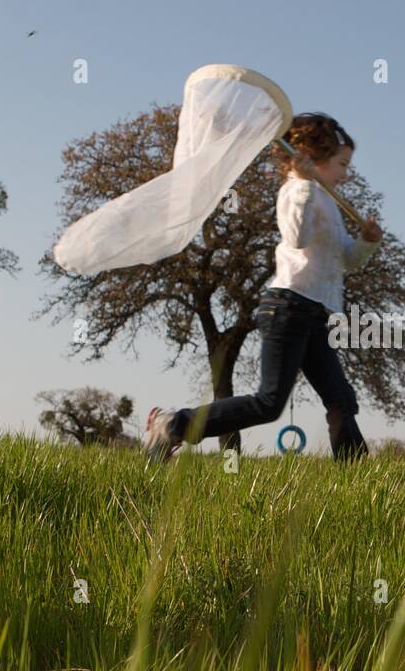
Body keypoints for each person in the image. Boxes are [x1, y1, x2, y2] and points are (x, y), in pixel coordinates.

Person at [143, 113, 383, 462]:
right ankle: (172, 425)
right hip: (288, 308)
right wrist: (302, 183)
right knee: (269, 403)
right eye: (341, 163)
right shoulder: (294, 192)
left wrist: (366, 242)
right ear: (313, 159)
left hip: (317, 314)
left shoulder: (328, 201)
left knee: (341, 400)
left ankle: (359, 478)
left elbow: (346, 260)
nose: (346, 173)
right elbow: (296, 238)